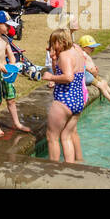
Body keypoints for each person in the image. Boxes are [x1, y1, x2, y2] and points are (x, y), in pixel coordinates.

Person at [42, 29, 85, 163]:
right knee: (66, 136)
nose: (52, 46)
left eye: (54, 43)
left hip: (64, 100)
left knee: (52, 136)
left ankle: (53, 169)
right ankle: (70, 167)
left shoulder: (65, 55)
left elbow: (68, 77)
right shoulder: (76, 50)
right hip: (78, 99)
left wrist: (51, 77)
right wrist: (54, 58)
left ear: (62, 42)